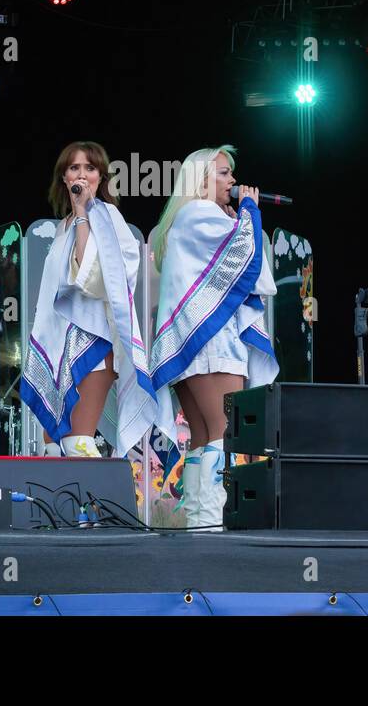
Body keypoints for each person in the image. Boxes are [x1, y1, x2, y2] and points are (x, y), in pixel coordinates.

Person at [150, 146, 277, 530]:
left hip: (191, 348)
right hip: (212, 345)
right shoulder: (200, 215)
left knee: (202, 437)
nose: (234, 182)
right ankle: (215, 524)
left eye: (231, 174)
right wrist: (251, 211)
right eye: (223, 173)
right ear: (199, 180)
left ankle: (199, 524)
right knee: (223, 434)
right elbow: (246, 254)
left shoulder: (184, 222)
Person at [21, 142, 174, 459]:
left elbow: (91, 277)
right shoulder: (62, 227)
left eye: (90, 168)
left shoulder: (108, 217)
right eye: (74, 167)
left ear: (101, 177)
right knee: (52, 447)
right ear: (64, 178)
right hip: (58, 344)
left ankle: (94, 508)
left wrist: (83, 214)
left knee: (79, 443)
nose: (82, 174)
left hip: (92, 341)